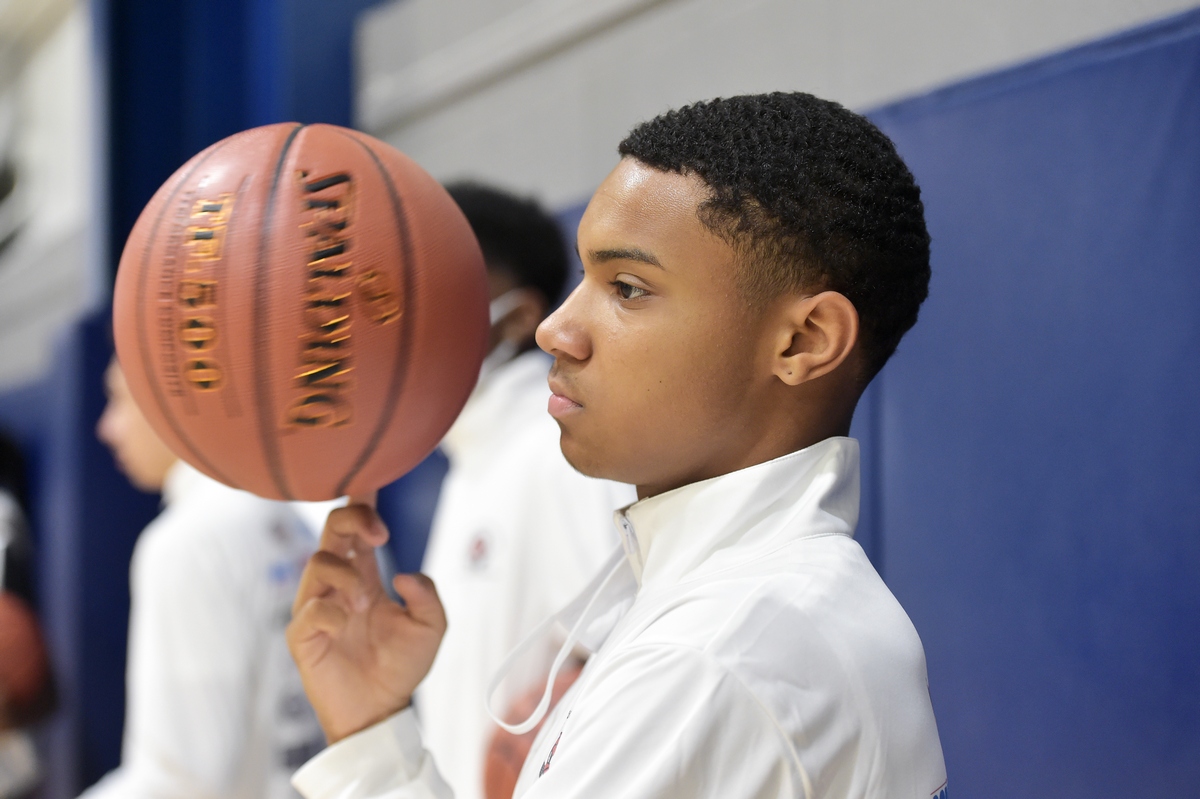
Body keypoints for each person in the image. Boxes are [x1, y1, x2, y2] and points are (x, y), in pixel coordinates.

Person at [286, 92, 947, 798]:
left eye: (627, 288)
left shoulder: (714, 654)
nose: (555, 331)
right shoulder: (746, 605)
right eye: (584, 279)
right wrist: (370, 731)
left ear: (803, 340)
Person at [415, 184, 633, 799]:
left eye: (432, 289)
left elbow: (626, 657)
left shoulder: (557, 450)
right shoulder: (472, 456)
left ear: (515, 317)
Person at [84, 359, 329, 799]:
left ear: (170, 403)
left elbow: (180, 782)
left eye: (118, 400)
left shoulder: (186, 544)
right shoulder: (307, 517)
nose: (107, 428)